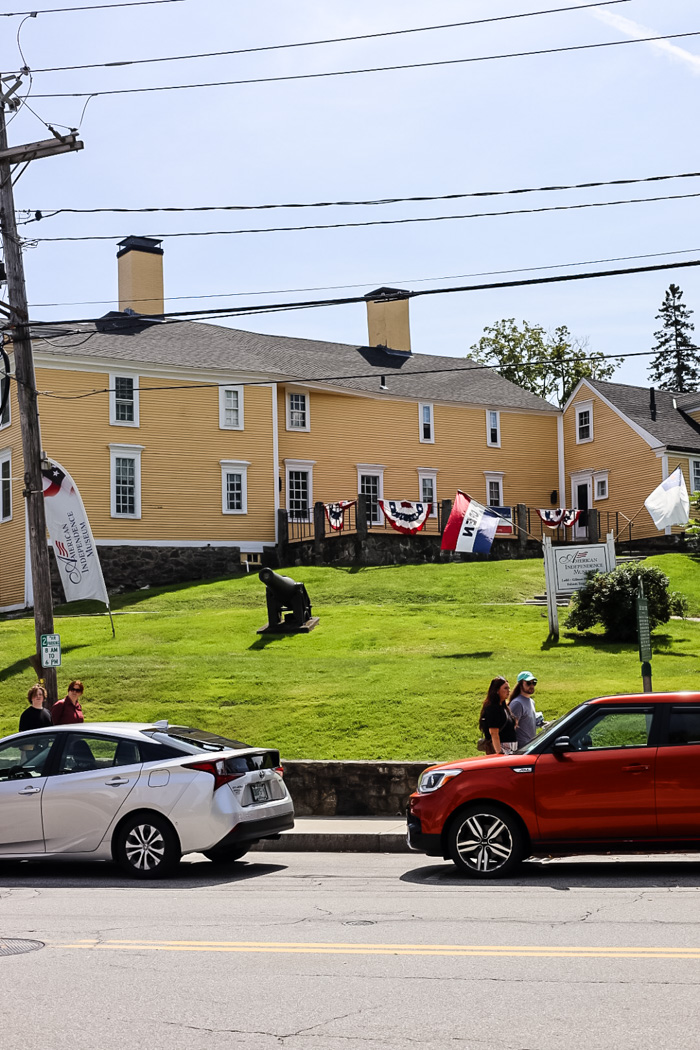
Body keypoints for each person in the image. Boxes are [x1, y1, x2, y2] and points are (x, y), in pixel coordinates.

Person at [479, 676, 518, 756]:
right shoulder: (492, 709)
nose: (508, 691)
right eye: (505, 688)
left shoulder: (504, 707)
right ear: (497, 691)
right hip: (501, 749)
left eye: (509, 688)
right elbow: (494, 733)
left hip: (511, 749)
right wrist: (499, 753)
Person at [509, 671, 539, 750]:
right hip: (521, 749)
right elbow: (510, 729)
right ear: (520, 684)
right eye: (528, 683)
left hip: (530, 747)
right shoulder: (517, 703)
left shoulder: (531, 701)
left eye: (534, 683)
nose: (532, 686)